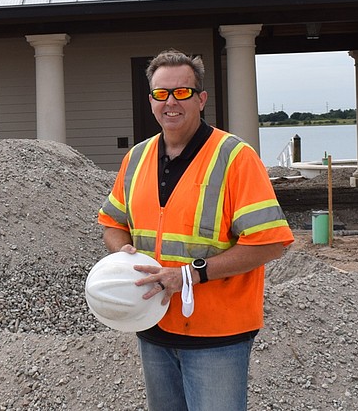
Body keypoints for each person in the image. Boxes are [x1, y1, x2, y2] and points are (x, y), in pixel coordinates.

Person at [97, 49, 294, 411]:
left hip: (217, 336)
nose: (171, 102)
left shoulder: (235, 157)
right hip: (153, 327)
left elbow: (270, 243)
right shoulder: (136, 158)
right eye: (161, 93)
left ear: (201, 99)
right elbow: (113, 223)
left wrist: (191, 275)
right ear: (151, 101)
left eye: (182, 92)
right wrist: (122, 253)